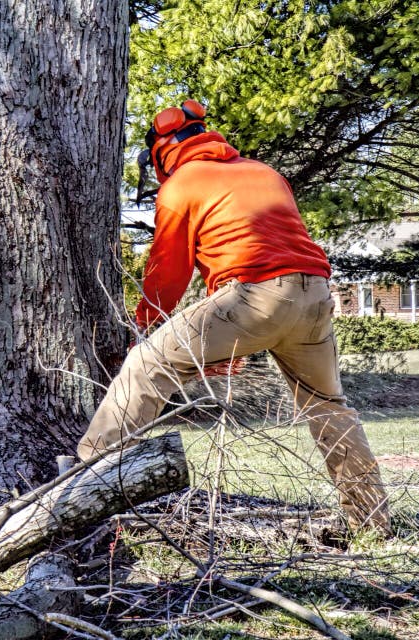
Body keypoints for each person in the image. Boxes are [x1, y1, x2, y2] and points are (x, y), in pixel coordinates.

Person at [76, 100, 390, 533]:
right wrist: (222, 342)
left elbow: (168, 272)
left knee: (145, 366)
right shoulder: (264, 173)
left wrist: (145, 327)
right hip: (315, 295)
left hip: (255, 294)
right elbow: (247, 249)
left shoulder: (182, 183)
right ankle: (370, 518)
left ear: (163, 152)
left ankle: (79, 485)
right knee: (328, 407)